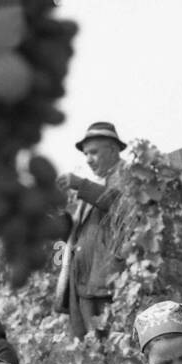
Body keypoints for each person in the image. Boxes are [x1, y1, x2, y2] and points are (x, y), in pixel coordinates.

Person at [55, 121, 128, 340]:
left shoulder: (127, 175)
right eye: (86, 154)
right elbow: (77, 232)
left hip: (110, 286)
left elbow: (121, 204)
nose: (88, 159)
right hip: (85, 285)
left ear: (113, 149)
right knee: (93, 351)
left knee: (117, 347)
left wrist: (80, 184)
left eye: (94, 152)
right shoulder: (95, 184)